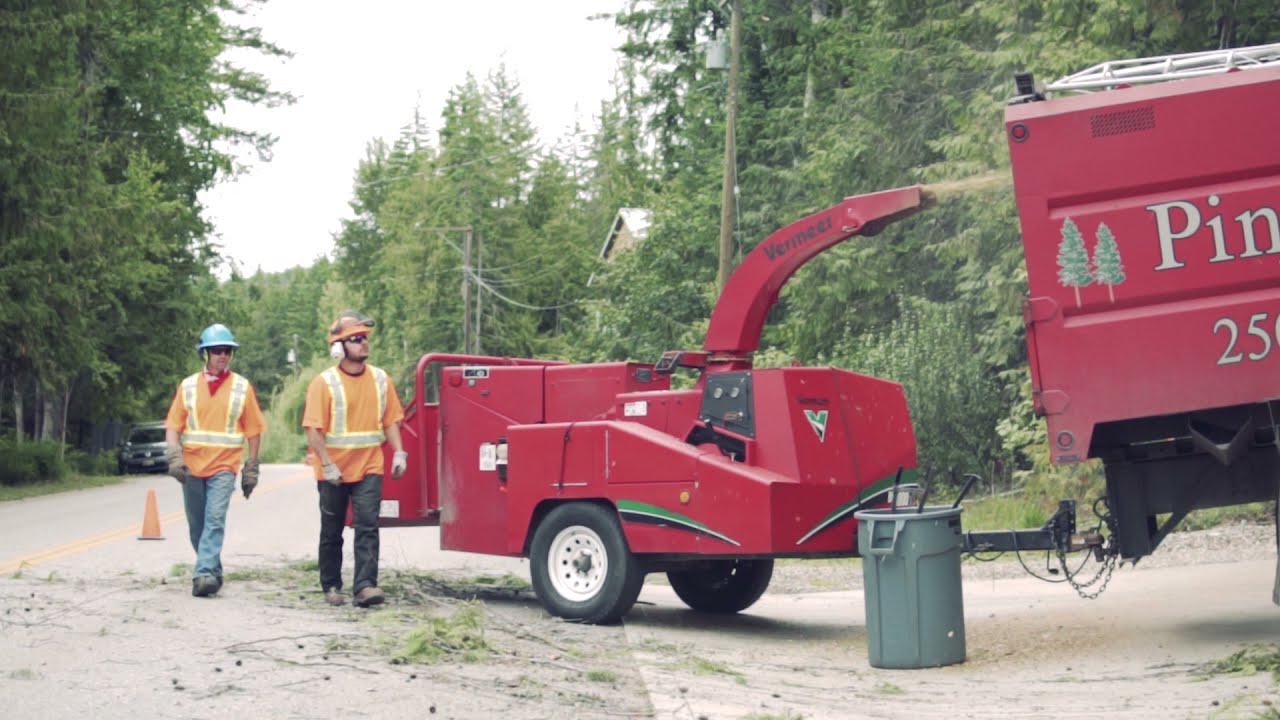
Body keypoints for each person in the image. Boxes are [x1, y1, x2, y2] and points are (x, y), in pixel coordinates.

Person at [302, 310, 408, 608]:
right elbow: (313, 428)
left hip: (369, 466)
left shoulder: (380, 379)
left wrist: (399, 451)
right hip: (333, 471)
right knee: (332, 531)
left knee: (367, 526)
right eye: (356, 339)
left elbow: (391, 421)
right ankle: (332, 585)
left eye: (364, 338)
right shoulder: (323, 383)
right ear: (339, 347)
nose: (364, 343)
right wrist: (326, 462)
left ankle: (365, 586)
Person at [164, 323, 266, 598]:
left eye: (228, 351)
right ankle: (212, 570)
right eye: (217, 351)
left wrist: (251, 466)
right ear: (206, 354)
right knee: (197, 525)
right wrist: (174, 455)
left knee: (214, 519)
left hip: (224, 467)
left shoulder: (242, 388)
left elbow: (254, 431)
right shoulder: (187, 387)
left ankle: (204, 574)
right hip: (192, 467)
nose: (223, 355)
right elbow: (174, 425)